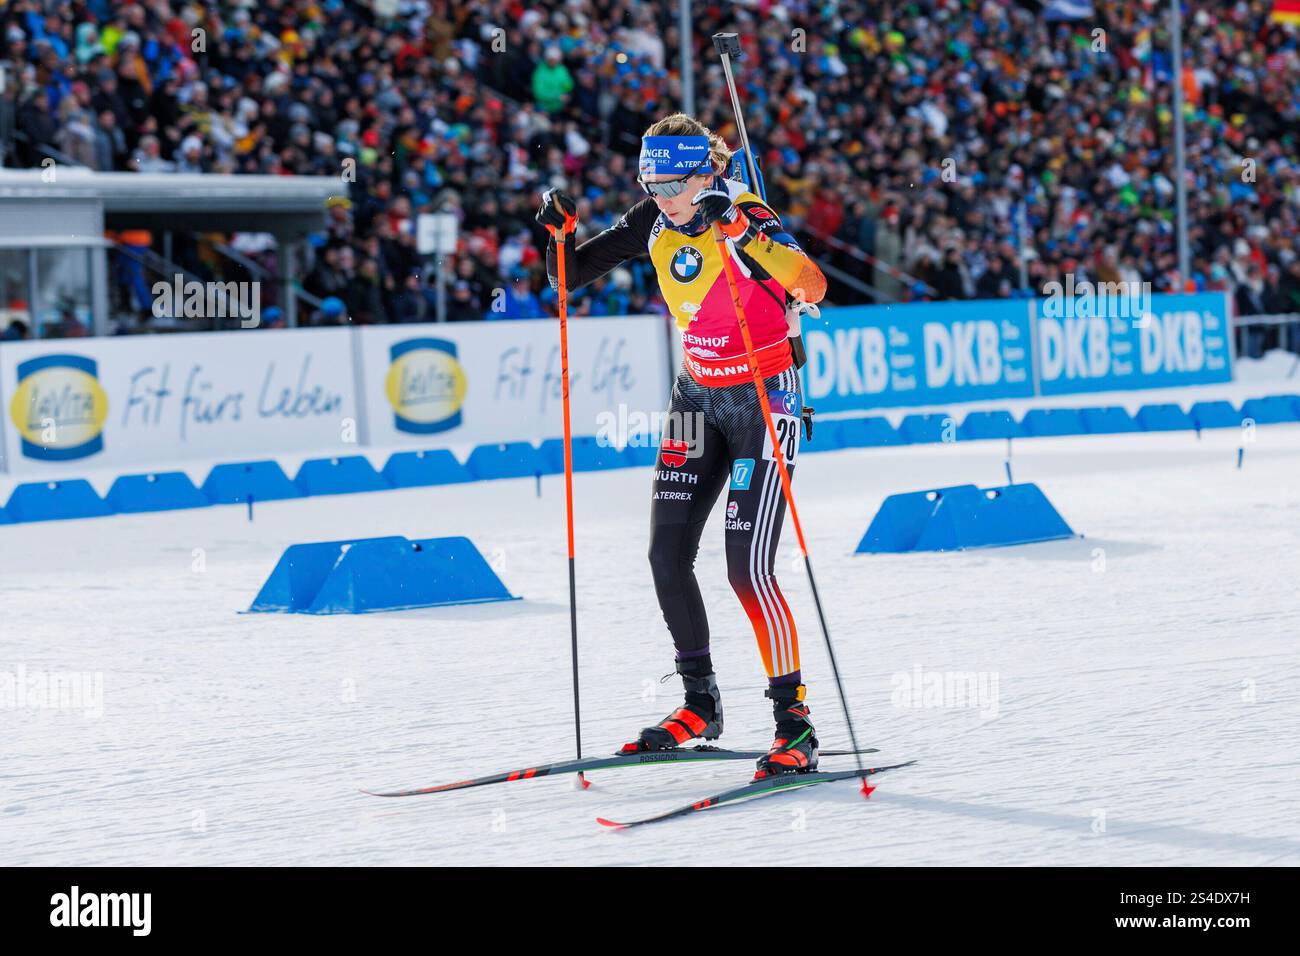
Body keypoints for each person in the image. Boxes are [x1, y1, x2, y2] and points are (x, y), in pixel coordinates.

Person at [538, 113, 828, 780]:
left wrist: (743, 235)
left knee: (746, 571)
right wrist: (557, 236)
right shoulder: (653, 220)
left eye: (671, 186)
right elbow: (569, 275)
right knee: (665, 554)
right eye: (651, 185)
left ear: (706, 174)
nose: (661, 199)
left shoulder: (744, 211)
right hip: (697, 400)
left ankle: (795, 723)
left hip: (762, 401)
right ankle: (700, 703)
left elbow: (811, 285)